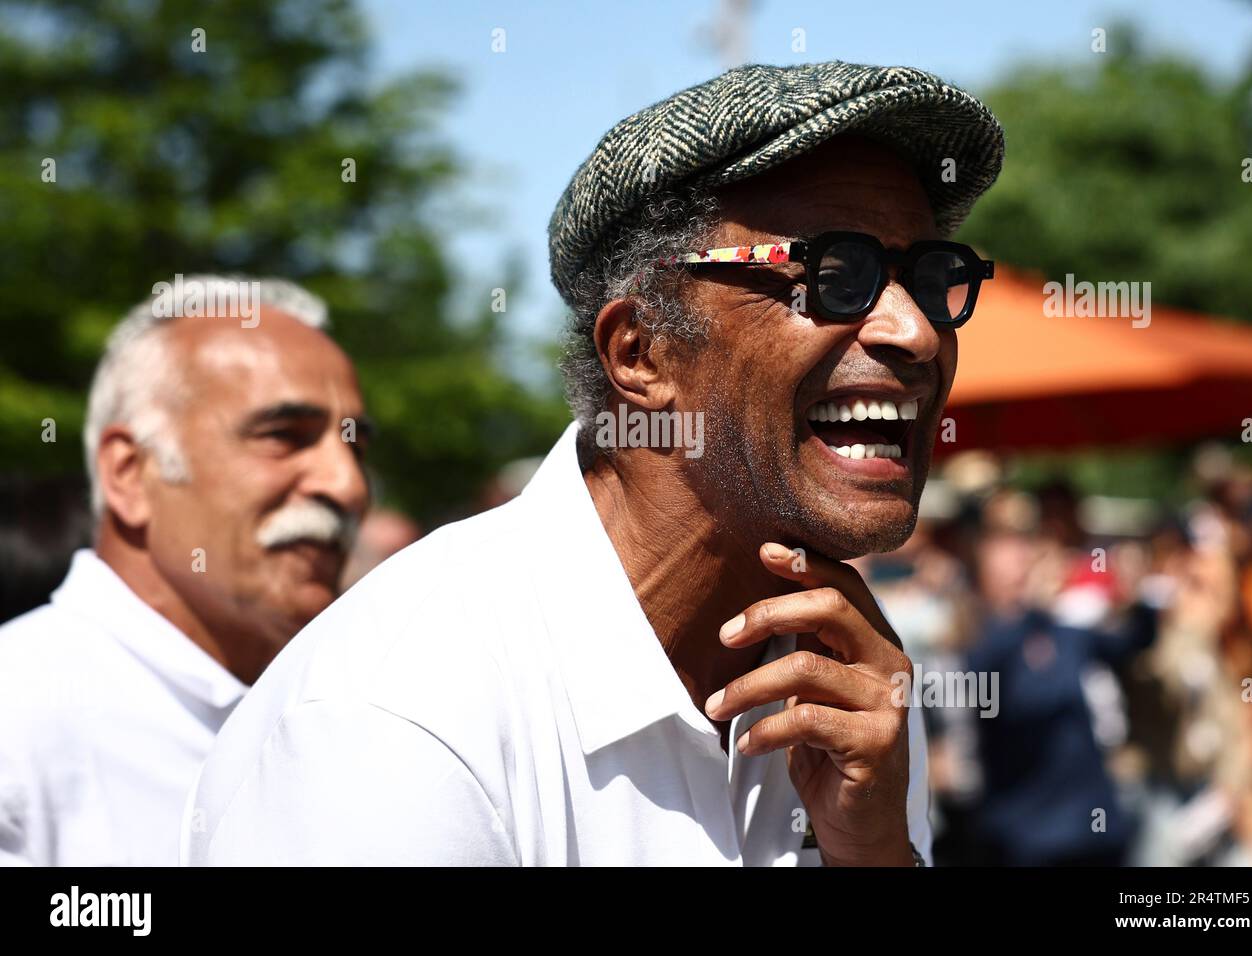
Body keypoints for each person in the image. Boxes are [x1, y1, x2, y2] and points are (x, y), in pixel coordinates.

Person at [186, 63, 1005, 866]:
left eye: (932, 280)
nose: (916, 331)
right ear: (639, 352)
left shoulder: (852, 678)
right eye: (836, 274)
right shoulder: (399, 718)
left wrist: (873, 854)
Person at [0, 276, 370, 865]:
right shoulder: (18, 721)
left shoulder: (363, 712)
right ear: (129, 473)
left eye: (356, 445)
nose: (347, 485)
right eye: (283, 435)